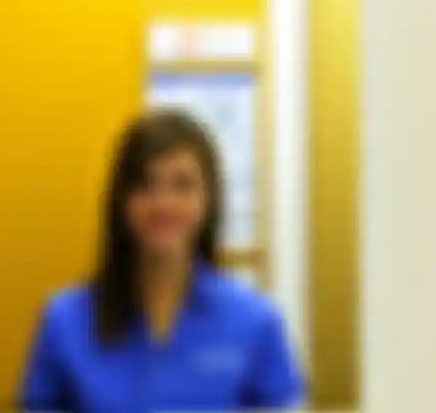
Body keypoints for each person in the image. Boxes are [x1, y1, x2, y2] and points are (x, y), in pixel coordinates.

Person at [20, 110, 304, 412]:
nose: (163, 203)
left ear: (209, 200)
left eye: (182, 185)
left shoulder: (256, 321)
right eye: (145, 185)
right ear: (121, 200)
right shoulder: (64, 321)